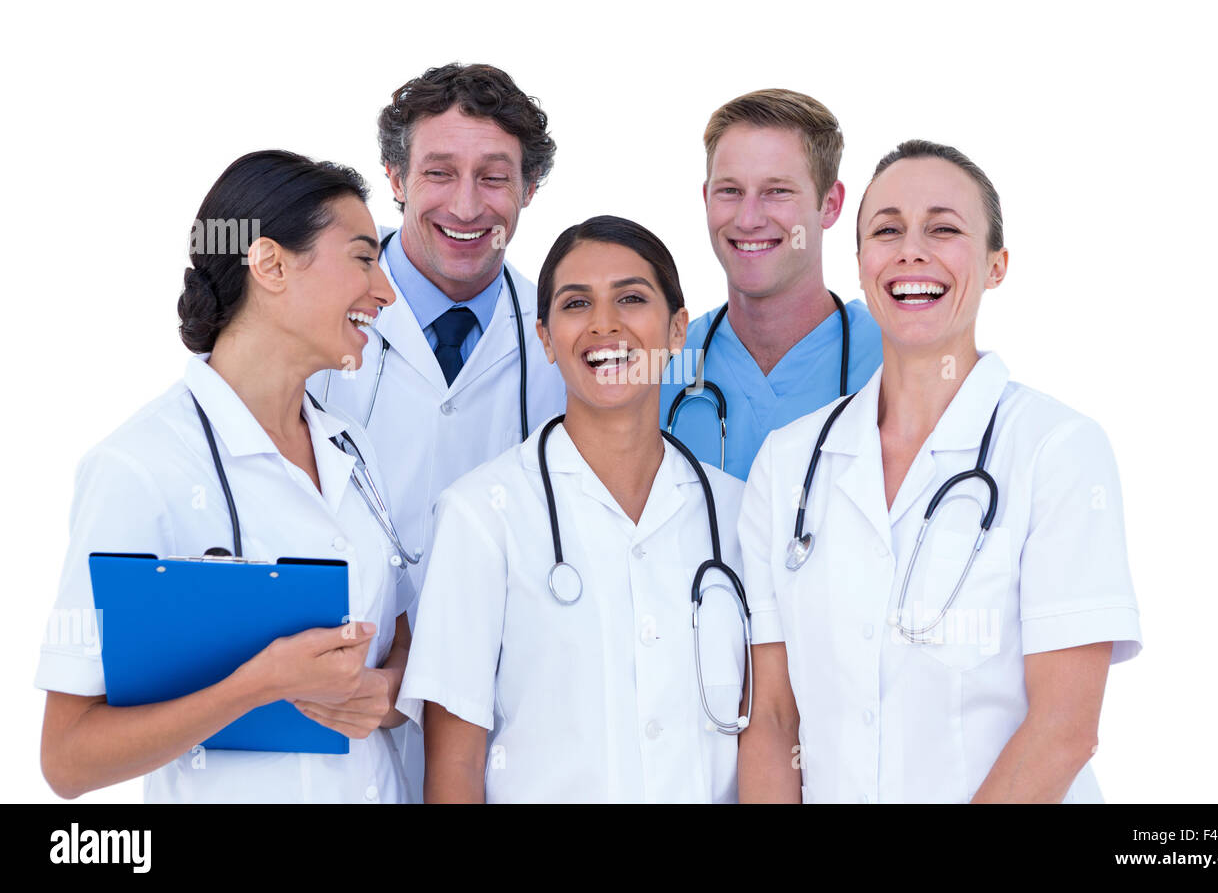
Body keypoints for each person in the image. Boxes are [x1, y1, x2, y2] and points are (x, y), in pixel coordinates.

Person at [737, 140, 1142, 803]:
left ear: (996, 265)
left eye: (945, 229)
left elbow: (1065, 727)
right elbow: (776, 722)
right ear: (863, 262)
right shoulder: (788, 465)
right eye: (887, 230)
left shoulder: (1056, 449)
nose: (911, 251)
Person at [36, 150, 414, 802]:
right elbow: (68, 760)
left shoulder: (350, 445)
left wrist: (388, 693)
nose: (386, 290)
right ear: (269, 264)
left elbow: (398, 629)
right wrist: (258, 684)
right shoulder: (141, 467)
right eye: (362, 258)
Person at [397, 216, 748, 803]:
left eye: (631, 298)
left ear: (678, 328)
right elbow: (455, 764)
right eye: (576, 303)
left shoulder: (737, 516)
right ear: (544, 336)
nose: (604, 325)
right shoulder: (481, 515)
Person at [306, 63, 568, 797]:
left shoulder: (566, 340)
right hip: (330, 725)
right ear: (394, 177)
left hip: (499, 727)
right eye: (439, 172)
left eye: (494, 177)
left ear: (529, 191)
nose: (466, 204)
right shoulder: (308, 314)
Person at [660, 88, 883, 480]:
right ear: (706, 198)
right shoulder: (663, 364)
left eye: (776, 191)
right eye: (729, 191)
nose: (748, 219)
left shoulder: (891, 361)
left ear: (830, 204)